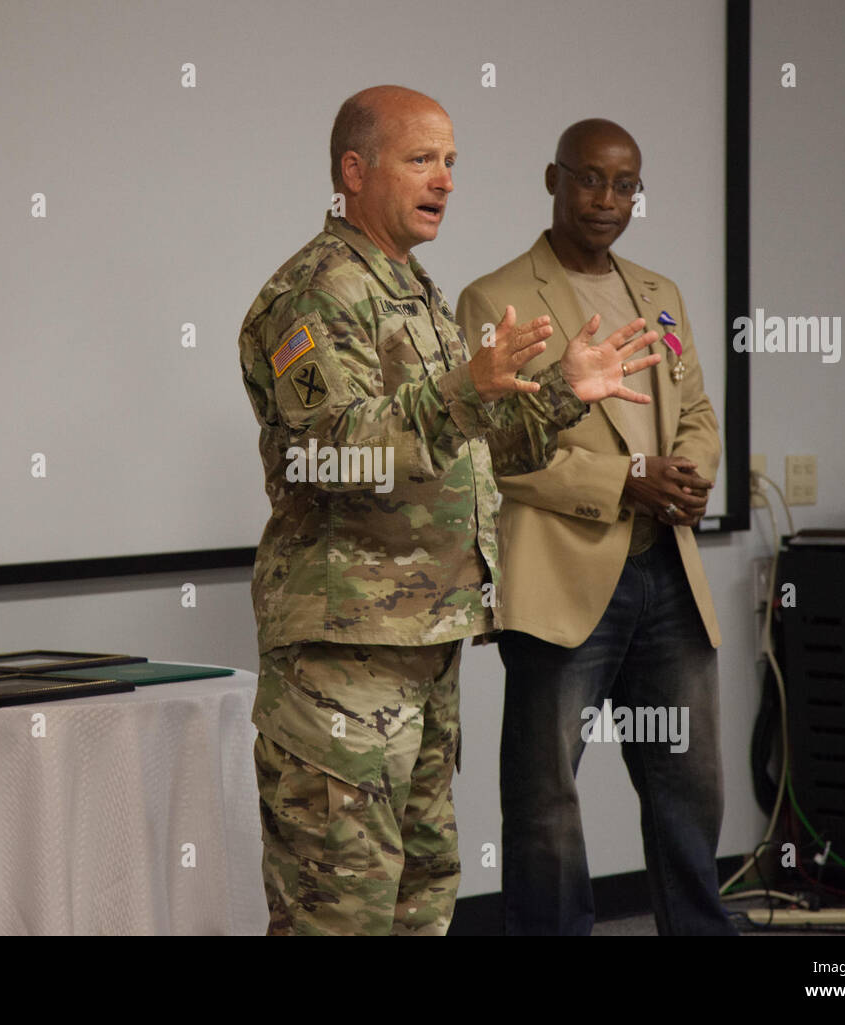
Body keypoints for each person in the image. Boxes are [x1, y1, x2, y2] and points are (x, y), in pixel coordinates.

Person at [238, 89, 662, 935]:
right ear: (354, 172)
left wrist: (558, 395)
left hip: (425, 649)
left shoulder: (412, 288)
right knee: (341, 912)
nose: (445, 180)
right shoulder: (318, 292)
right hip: (343, 660)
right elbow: (329, 453)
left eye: (453, 162)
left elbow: (473, 444)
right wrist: (463, 387)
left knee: (421, 903)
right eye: (421, 159)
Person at [456, 118, 735, 935]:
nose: (606, 200)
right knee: (547, 800)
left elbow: (698, 410)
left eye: (625, 185)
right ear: (552, 178)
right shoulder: (494, 298)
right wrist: (627, 480)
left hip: (668, 573)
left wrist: (688, 472)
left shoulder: (660, 294)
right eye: (588, 178)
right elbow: (496, 453)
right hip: (563, 582)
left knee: (691, 784)